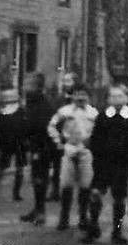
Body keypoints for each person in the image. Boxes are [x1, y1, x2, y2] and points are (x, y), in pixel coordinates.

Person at [84, 83, 128, 244]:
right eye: (113, 96)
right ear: (108, 99)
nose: (116, 99)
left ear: (127, 98)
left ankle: (117, 233)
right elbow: (95, 140)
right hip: (102, 164)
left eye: (120, 96)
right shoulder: (103, 117)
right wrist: (97, 159)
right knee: (96, 194)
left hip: (122, 166)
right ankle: (93, 228)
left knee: (119, 199)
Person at [48, 82, 99, 232]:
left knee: (85, 185)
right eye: (77, 94)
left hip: (86, 151)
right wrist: (58, 141)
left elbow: (99, 132)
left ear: (88, 96)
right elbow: (51, 126)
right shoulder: (64, 111)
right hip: (69, 149)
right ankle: (64, 218)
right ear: (73, 95)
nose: (80, 97)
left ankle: (83, 217)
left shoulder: (93, 113)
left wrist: (94, 145)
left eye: (83, 94)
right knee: (66, 184)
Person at [19, 72, 55, 226]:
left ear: (36, 86)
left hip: (42, 147)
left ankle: (41, 212)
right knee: (36, 179)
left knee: (40, 178)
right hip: (35, 146)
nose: (25, 86)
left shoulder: (42, 104)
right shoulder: (31, 102)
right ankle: (37, 208)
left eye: (28, 84)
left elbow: (40, 126)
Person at [0, 86, 26, 203]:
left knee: (4, 169)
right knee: (17, 169)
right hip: (16, 142)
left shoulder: (4, 112)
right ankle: (15, 194)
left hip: (10, 142)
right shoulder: (19, 111)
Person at [50, 70, 78, 201]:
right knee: (57, 165)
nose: (65, 84)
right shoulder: (60, 99)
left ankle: (67, 193)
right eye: (64, 81)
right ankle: (55, 191)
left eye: (68, 81)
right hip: (60, 136)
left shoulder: (79, 99)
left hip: (74, 137)